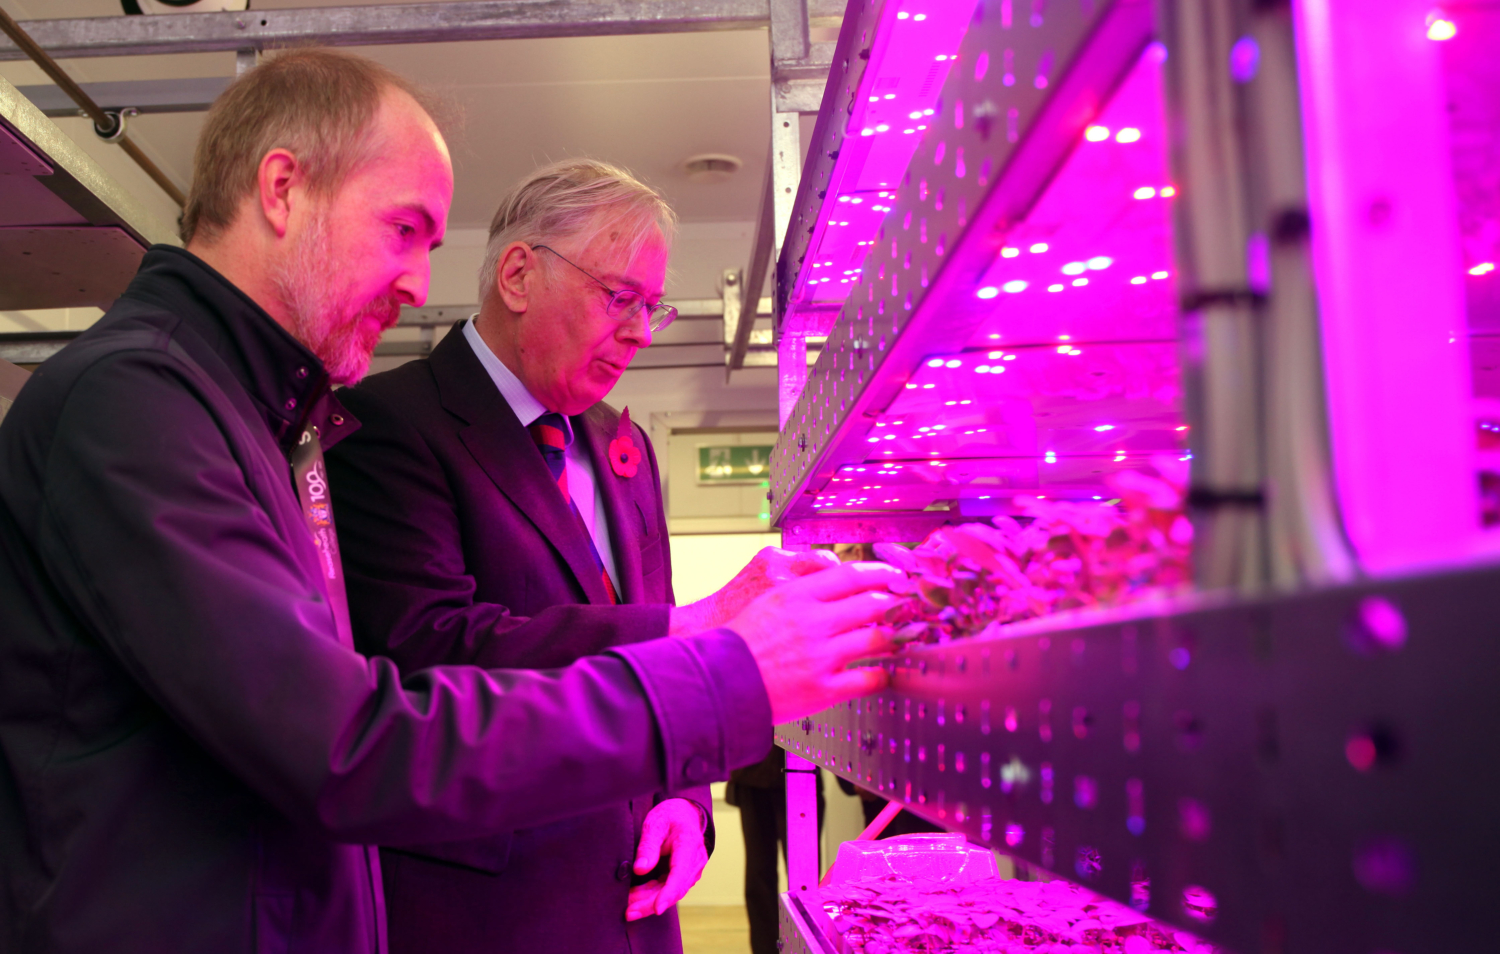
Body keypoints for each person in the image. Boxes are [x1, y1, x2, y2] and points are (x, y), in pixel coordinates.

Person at [0, 49, 903, 954]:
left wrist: (682, 759)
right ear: (282, 189)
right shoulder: (139, 401)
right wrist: (716, 671)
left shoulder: (260, 413)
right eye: (403, 230)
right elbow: (350, 740)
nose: (419, 285)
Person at [323, 157, 845, 954]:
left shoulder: (622, 441)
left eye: (651, 307)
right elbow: (431, 646)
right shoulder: (389, 424)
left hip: (638, 901)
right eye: (619, 297)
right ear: (520, 275)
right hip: (496, 909)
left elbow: (647, 625)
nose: (639, 330)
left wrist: (686, 800)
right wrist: (693, 625)